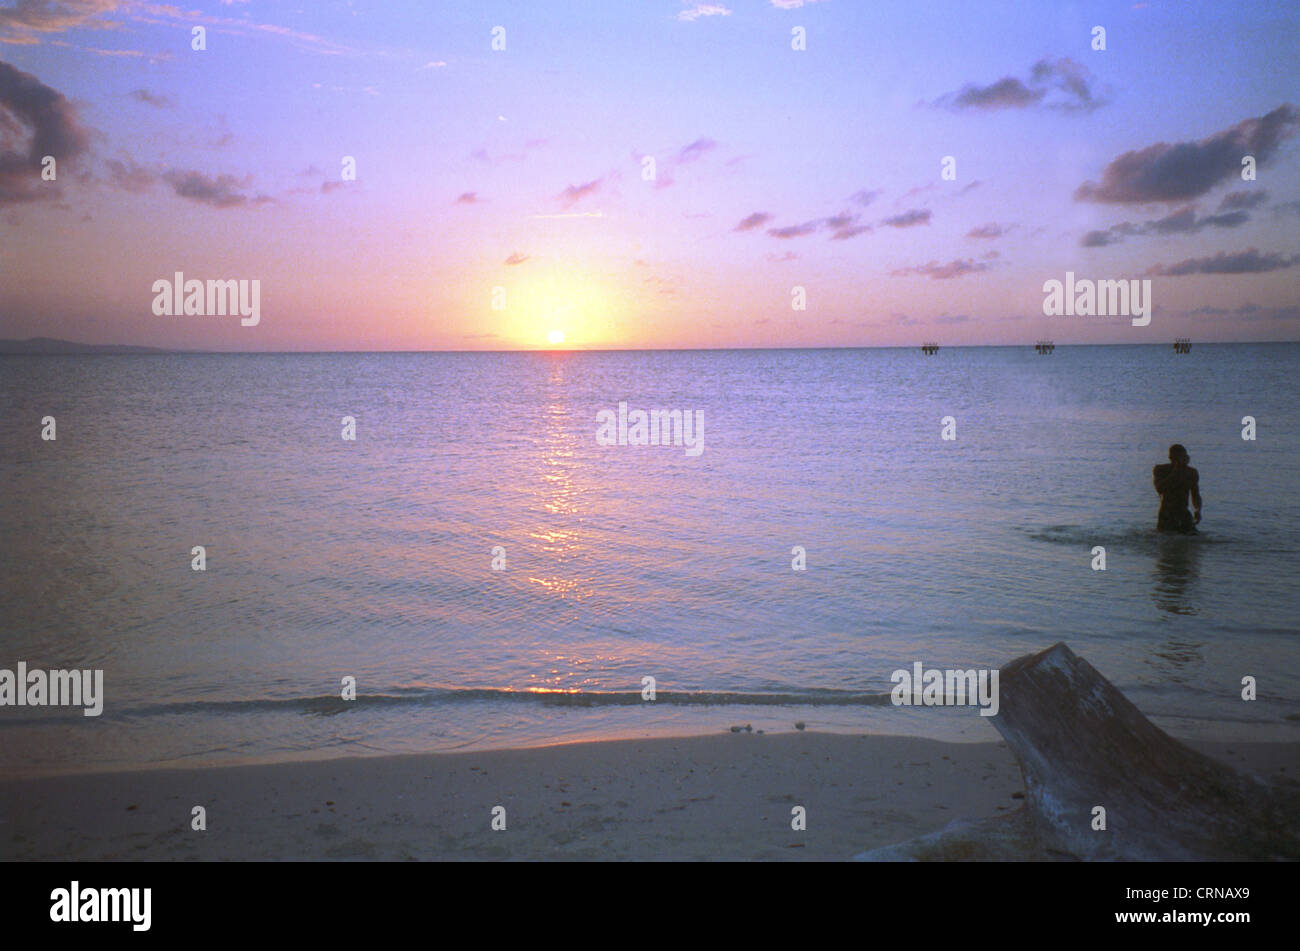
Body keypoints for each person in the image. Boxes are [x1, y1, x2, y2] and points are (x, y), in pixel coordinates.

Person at [1153, 444, 1202, 534]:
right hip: (1166, 513)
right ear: (1170, 458)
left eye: (1183, 457)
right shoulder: (1161, 470)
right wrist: (1176, 471)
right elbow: (1159, 488)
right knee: (1166, 541)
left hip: (1183, 512)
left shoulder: (1191, 472)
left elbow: (1195, 495)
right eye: (1177, 458)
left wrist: (1197, 510)